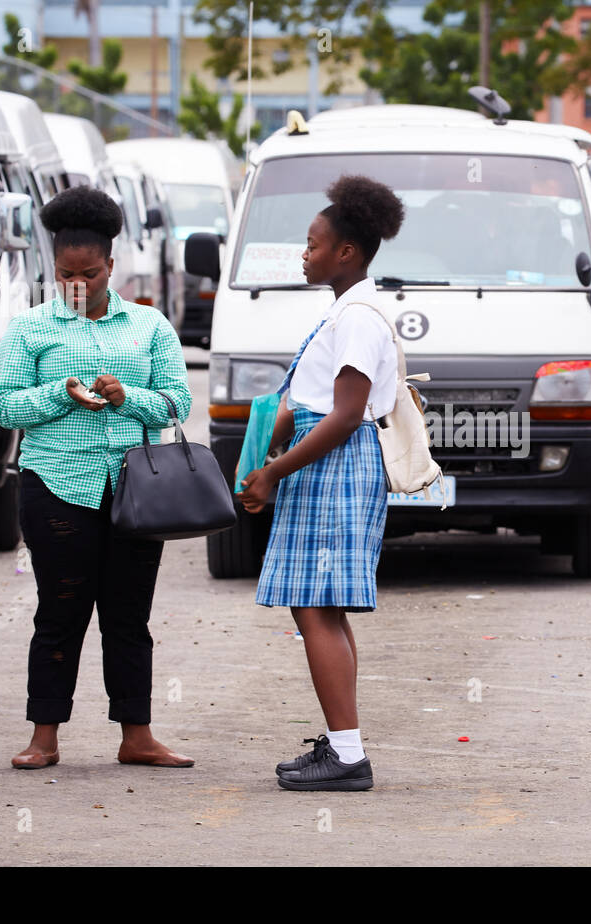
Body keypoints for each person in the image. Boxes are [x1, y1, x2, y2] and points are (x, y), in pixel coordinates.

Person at [0, 185, 194, 770]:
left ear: (112, 264)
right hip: (56, 486)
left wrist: (126, 396)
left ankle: (137, 736)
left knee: (129, 617)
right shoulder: (29, 328)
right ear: (53, 269)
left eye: (89, 274)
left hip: (135, 492)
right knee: (60, 611)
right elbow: (6, 408)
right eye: (65, 275)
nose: (77, 286)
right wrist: (62, 394)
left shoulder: (149, 326)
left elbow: (177, 401)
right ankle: (44, 736)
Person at [239, 174, 405, 791]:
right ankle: (343, 744)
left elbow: (344, 414)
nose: (303, 254)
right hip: (324, 462)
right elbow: (308, 400)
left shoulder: (358, 316)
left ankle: (349, 757)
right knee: (321, 606)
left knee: (315, 607)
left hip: (332, 464)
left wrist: (275, 470)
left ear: (347, 253)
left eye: (312, 244)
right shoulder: (343, 311)